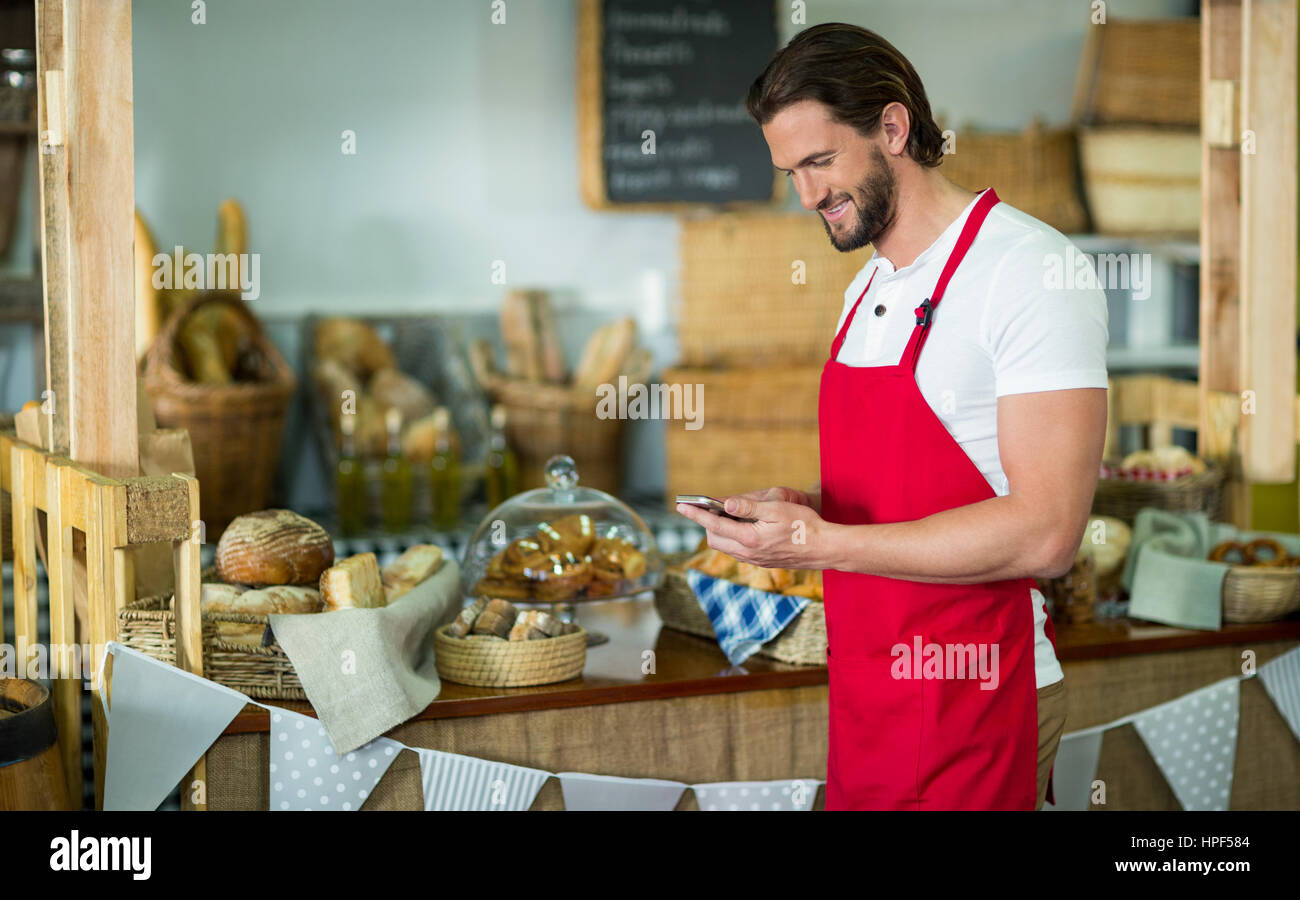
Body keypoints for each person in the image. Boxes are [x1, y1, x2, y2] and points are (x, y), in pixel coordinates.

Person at [675, 23, 1109, 810]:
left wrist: (824, 543)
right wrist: (804, 511)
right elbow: (905, 490)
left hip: (981, 695)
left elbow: (1048, 534)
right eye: (790, 173)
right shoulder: (864, 290)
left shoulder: (1030, 271)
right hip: (870, 697)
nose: (807, 196)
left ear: (894, 127)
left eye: (819, 162)